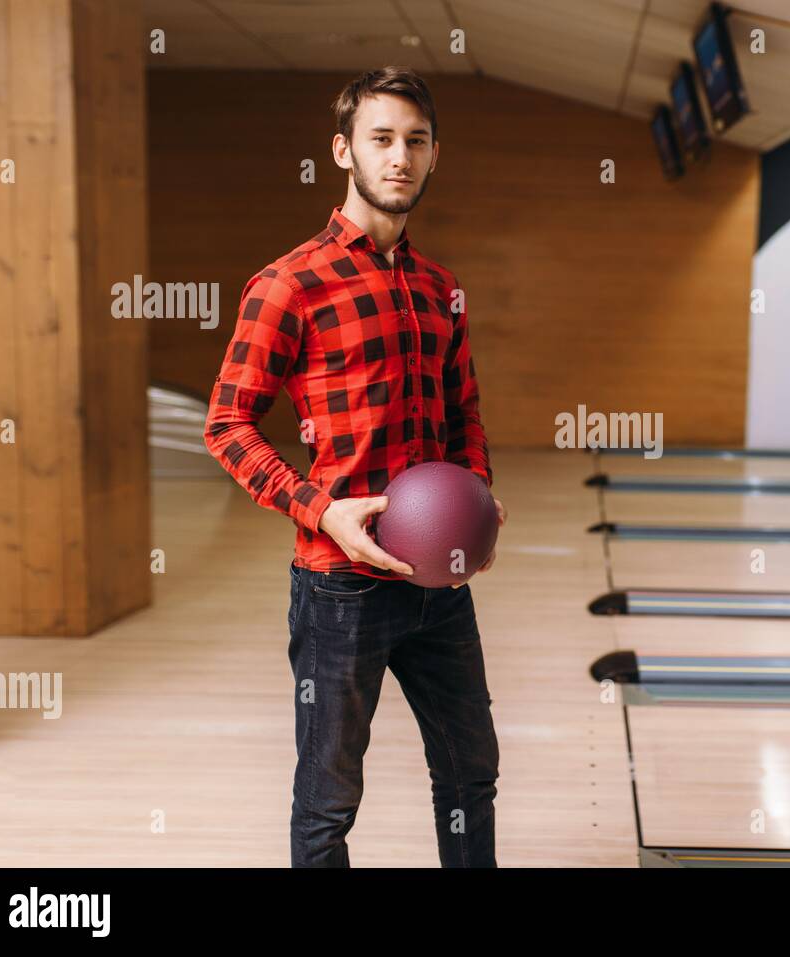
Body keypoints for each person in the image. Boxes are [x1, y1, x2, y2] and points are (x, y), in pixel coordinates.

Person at [203, 66, 504, 867]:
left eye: (415, 141)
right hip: (340, 586)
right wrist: (319, 507)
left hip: (437, 591)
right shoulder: (288, 285)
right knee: (328, 806)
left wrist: (476, 497)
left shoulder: (443, 291)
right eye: (381, 139)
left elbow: (463, 413)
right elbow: (227, 425)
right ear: (344, 151)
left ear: (435, 155)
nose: (398, 156)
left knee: (473, 775)